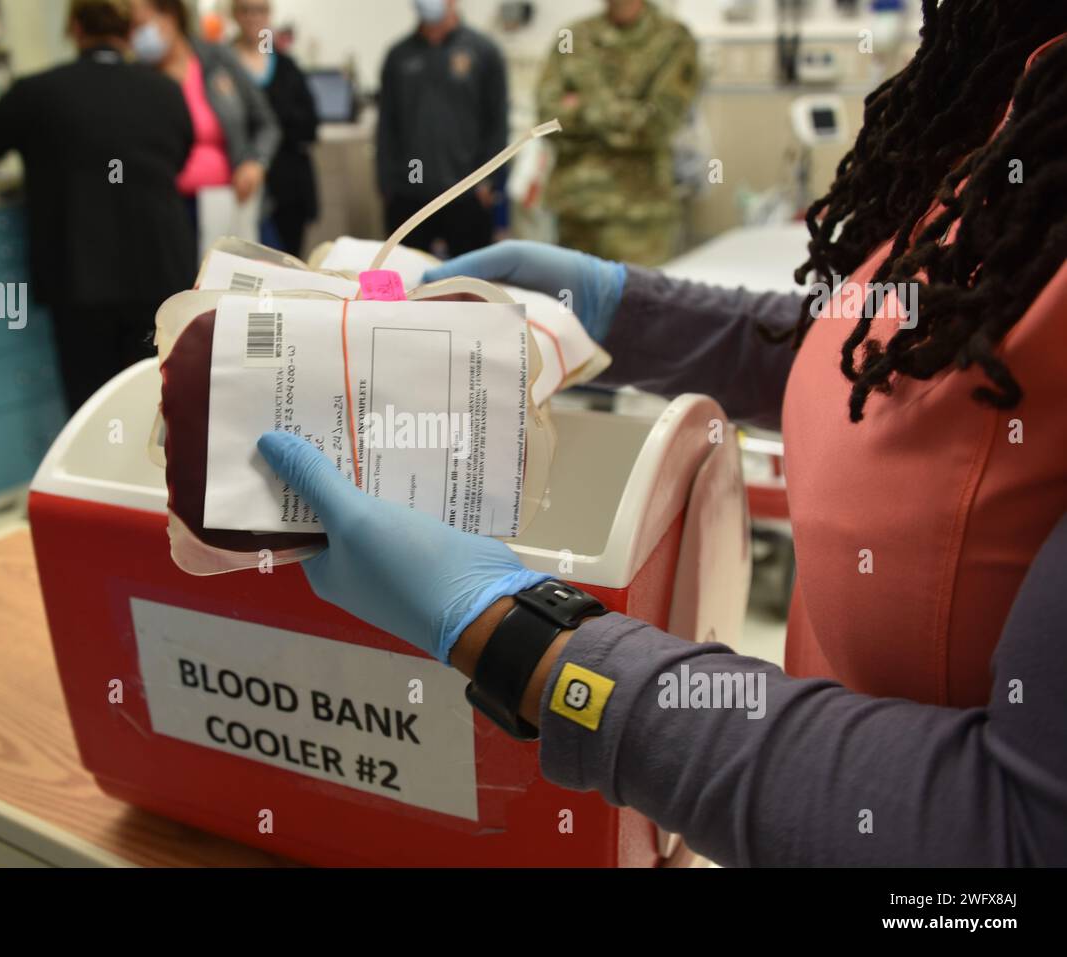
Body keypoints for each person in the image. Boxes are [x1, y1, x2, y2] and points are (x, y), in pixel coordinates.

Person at [255, 0, 1067, 865]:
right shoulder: (1015, 76)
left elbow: (1018, 842)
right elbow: (898, 350)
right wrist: (630, 310)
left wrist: (525, 640)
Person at [0, 0, 195, 413]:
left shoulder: (37, 92)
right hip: (158, 269)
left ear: (74, 28)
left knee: (91, 408)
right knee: (155, 402)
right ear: (128, 32)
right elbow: (179, 156)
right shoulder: (165, 91)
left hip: (80, 277)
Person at [538, 0, 699, 265]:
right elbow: (547, 119)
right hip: (576, 213)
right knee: (571, 305)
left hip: (639, 219)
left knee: (637, 304)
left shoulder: (673, 39)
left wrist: (580, 107)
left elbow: (658, 123)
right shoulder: (573, 36)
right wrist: (627, 111)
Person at [129, 0, 280, 249]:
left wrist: (256, 162)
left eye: (141, 25)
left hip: (233, 206)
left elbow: (267, 122)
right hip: (170, 213)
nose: (137, 36)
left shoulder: (217, 58)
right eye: (132, 29)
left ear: (170, 15)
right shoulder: (138, 76)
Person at [376, 0, 507, 257]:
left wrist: (488, 182)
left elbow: (497, 123)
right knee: (408, 283)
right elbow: (386, 125)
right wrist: (386, 184)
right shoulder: (398, 55)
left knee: (469, 284)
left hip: (467, 194)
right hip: (409, 195)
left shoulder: (483, 51)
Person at [231, 0, 320, 258]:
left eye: (259, 10)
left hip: (287, 189)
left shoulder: (287, 68)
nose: (252, 18)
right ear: (235, 15)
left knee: (287, 265)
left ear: (268, 14)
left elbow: (310, 126)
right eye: (245, 10)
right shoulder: (223, 65)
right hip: (240, 185)